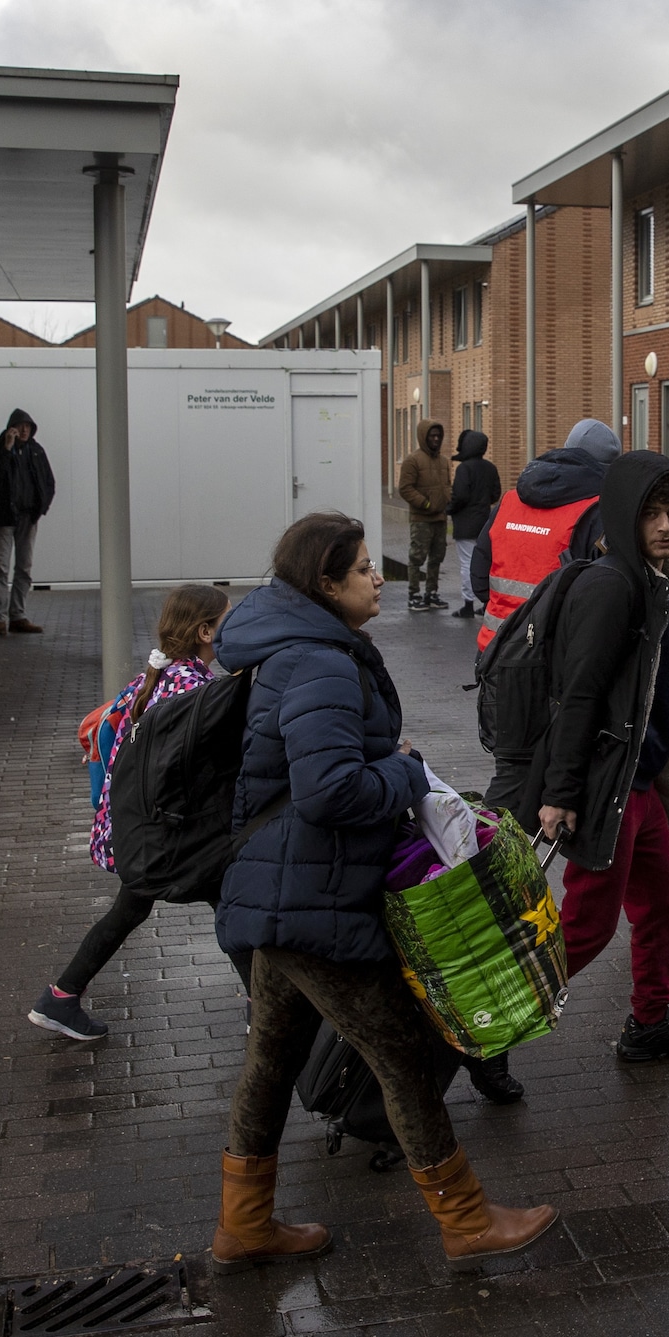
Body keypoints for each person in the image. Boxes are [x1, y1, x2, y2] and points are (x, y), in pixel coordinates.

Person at [211, 512, 557, 1265]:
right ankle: (465, 1219)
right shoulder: (322, 663)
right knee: (400, 1052)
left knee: (272, 1057)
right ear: (326, 584)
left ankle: (244, 1223)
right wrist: (403, 769)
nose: (378, 578)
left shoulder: (297, 648)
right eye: (364, 568)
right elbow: (329, 791)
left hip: (284, 889)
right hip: (313, 899)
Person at [496, 450, 669, 1077]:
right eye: (653, 514)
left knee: (665, 901)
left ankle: (651, 1022)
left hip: (637, 785)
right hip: (605, 787)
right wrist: (561, 793)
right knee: (586, 929)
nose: (668, 526)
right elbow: (578, 696)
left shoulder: (653, 579)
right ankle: (489, 1031)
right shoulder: (611, 586)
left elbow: (649, 656)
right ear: (624, 515)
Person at [29, 584, 231, 1041]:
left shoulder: (160, 676)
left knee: (135, 909)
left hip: (141, 827)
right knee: (229, 902)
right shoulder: (195, 689)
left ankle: (60, 998)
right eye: (227, 621)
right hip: (168, 833)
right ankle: (264, 1015)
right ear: (205, 632)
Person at [472, 417, 620, 651]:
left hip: (494, 648)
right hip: (550, 654)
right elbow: (602, 595)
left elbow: (479, 579)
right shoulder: (597, 511)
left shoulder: (510, 501)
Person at [0, 408, 56, 637]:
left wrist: (41, 508)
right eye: (20, 426)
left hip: (28, 517)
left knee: (24, 567)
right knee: (1, 568)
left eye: (28, 426)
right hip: (3, 516)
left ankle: (18, 615)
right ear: (11, 428)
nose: (24, 430)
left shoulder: (36, 451)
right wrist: (6, 448)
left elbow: (48, 481)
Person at [443, 430, 502, 618]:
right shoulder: (490, 468)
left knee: (467, 563)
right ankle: (487, 603)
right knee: (487, 563)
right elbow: (495, 494)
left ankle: (468, 604)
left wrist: (449, 509)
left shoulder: (464, 469)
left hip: (465, 523)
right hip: (485, 521)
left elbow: (460, 495)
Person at [397, 421, 453, 612]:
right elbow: (405, 488)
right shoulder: (413, 460)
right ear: (423, 437)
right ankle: (414, 595)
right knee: (416, 558)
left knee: (437, 557)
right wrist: (425, 503)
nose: (436, 439)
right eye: (432, 436)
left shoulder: (444, 461)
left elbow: (447, 486)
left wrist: (447, 501)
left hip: (440, 519)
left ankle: (431, 593)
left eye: (438, 435)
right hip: (421, 519)